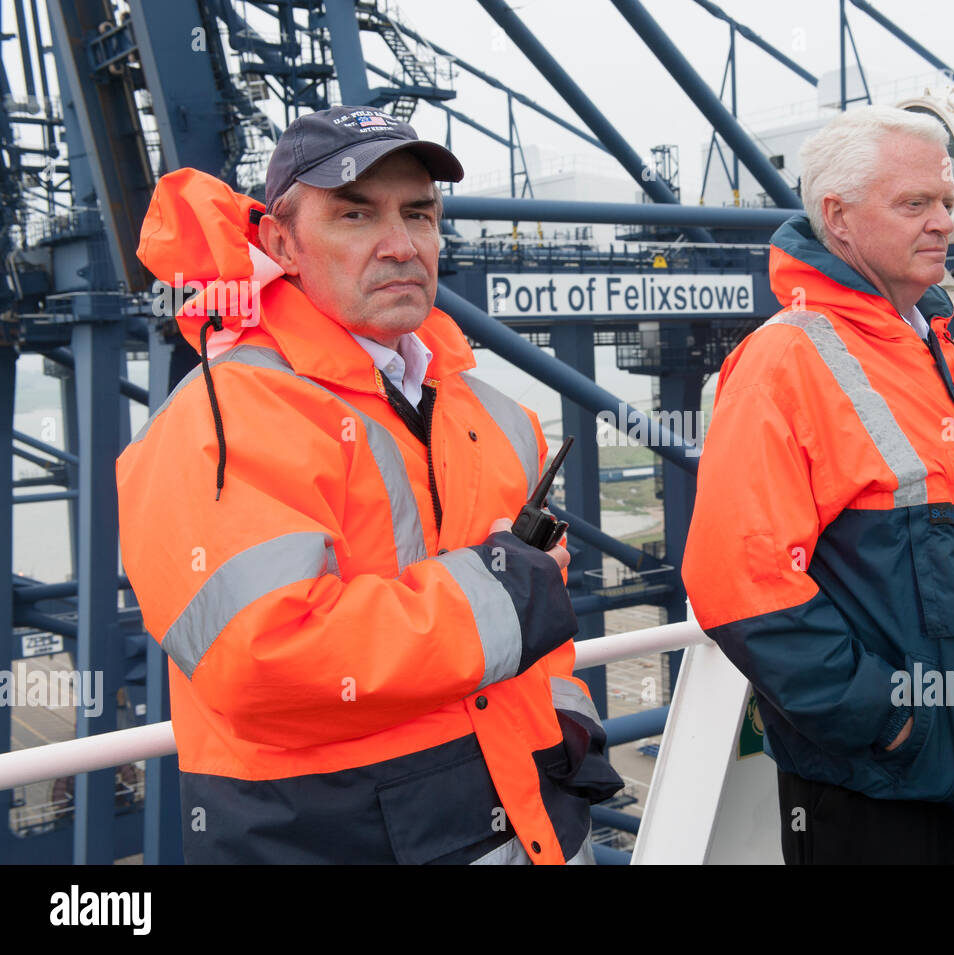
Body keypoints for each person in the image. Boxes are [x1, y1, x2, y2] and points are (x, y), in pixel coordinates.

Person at [118, 105, 623, 864]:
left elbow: (533, 641)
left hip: (535, 829)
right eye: (356, 215)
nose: (401, 245)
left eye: (419, 214)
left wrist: (567, 736)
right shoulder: (219, 421)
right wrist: (505, 592)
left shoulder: (498, 416)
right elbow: (260, 657)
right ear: (279, 242)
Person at [681, 106, 954, 865]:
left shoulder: (932, 346)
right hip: (874, 783)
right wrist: (892, 721)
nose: (941, 223)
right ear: (838, 217)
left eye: (945, 203)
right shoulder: (783, 361)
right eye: (913, 204)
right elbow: (738, 581)